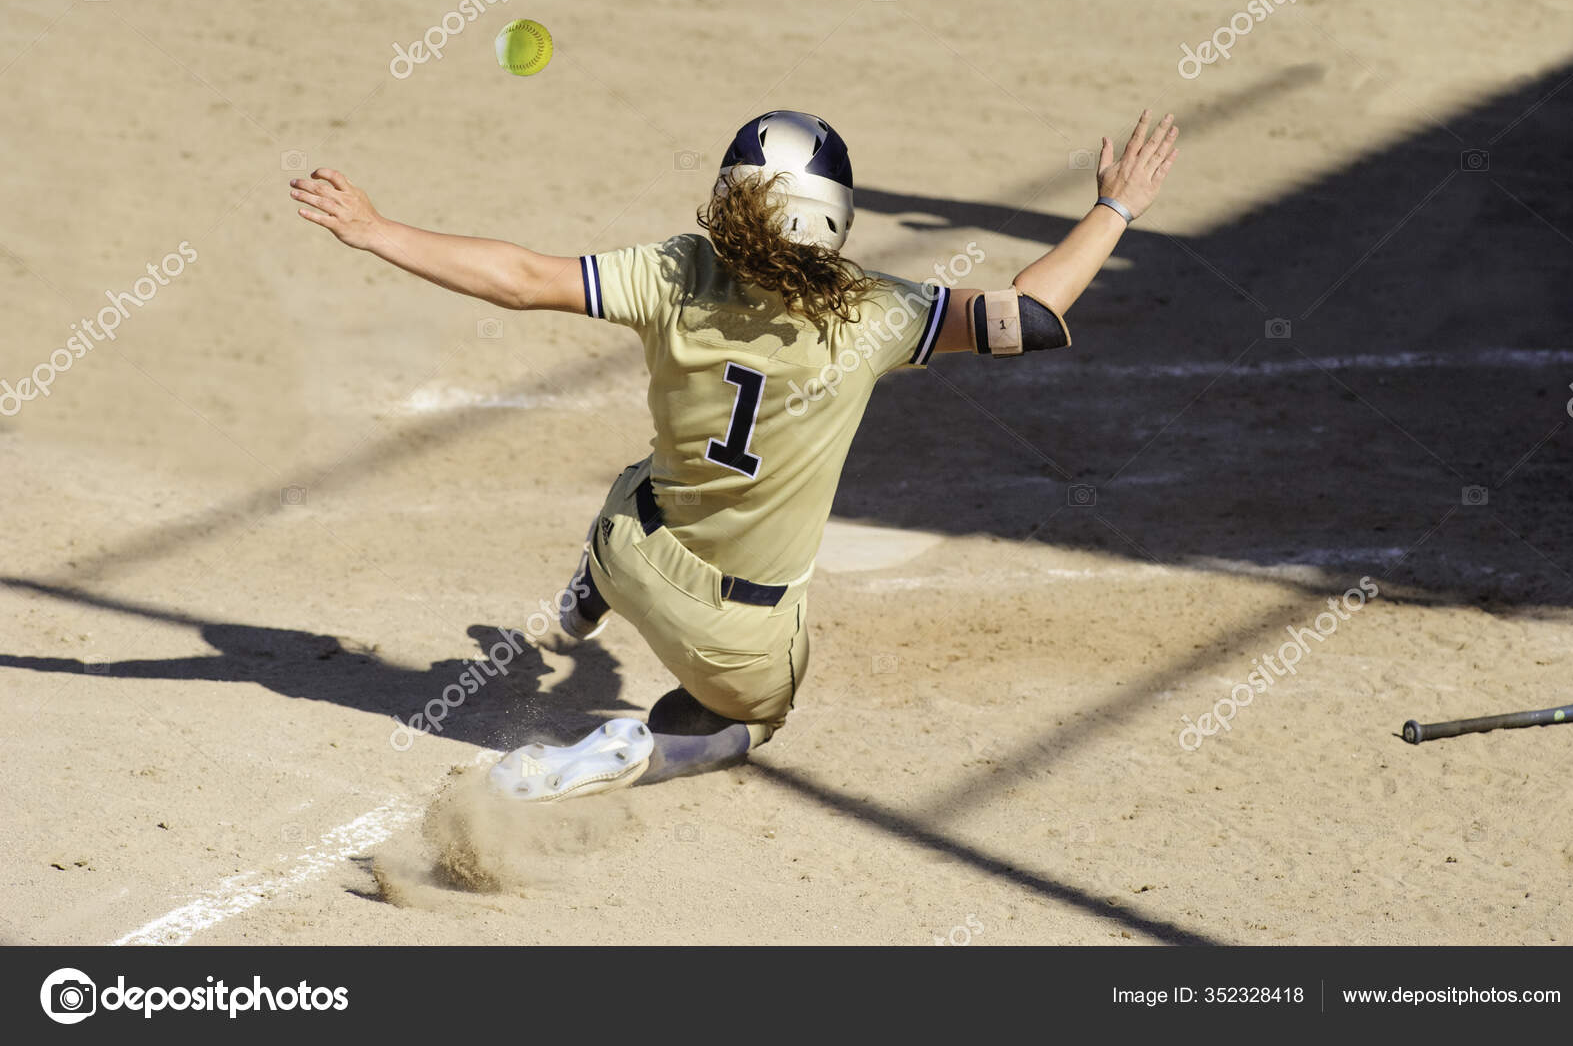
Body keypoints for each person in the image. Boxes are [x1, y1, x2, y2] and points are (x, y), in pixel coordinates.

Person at [291, 108, 1178, 801]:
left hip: (636, 550)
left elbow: (521, 280)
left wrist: (378, 229)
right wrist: (1116, 204)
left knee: (638, 479)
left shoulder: (678, 271)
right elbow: (1032, 316)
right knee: (752, 719)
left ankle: (587, 596)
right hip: (739, 636)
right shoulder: (876, 313)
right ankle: (639, 753)